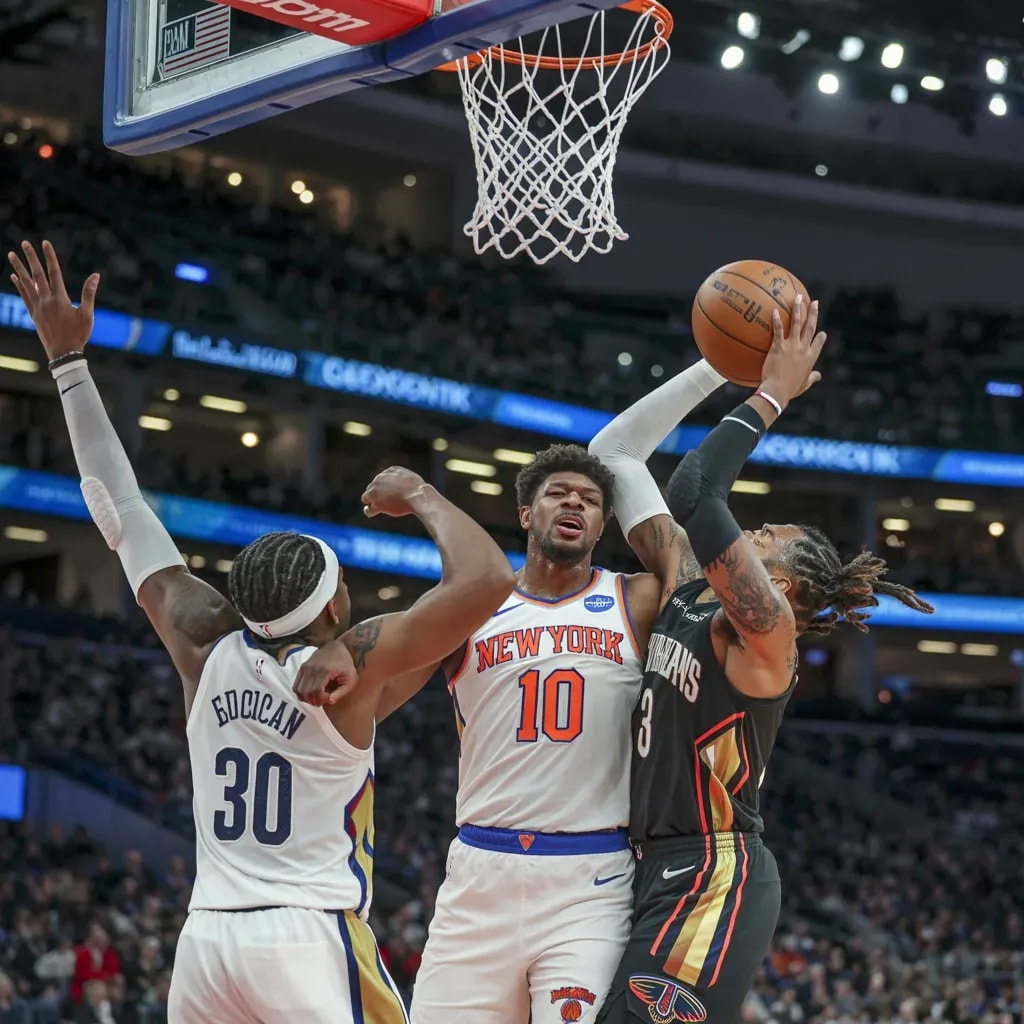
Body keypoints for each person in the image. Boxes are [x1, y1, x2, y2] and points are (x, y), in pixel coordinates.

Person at [8, 240, 515, 1024]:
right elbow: (486, 580)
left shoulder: (201, 639)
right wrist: (417, 491)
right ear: (334, 609)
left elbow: (123, 510)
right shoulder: (357, 670)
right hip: (306, 938)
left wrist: (69, 365)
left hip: (206, 942)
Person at [588, 297, 934, 1024]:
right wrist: (718, 362)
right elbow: (614, 456)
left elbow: (694, 489)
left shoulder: (767, 636)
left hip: (712, 875)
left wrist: (770, 393)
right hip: (642, 865)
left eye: (766, 533)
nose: (750, 529)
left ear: (778, 584)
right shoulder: (689, 591)